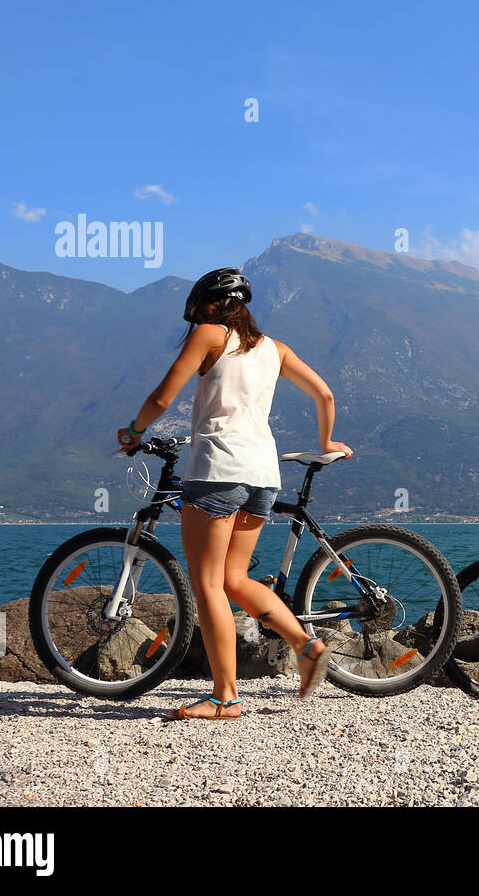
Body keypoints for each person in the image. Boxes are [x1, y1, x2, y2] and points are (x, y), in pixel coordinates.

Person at [116, 268, 350, 720]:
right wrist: (327, 442)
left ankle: (225, 698)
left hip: (217, 470)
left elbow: (164, 398)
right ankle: (306, 644)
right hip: (262, 474)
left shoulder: (208, 334)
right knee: (234, 580)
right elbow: (324, 393)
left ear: (207, 306)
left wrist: (133, 431)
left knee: (208, 585)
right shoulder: (275, 349)